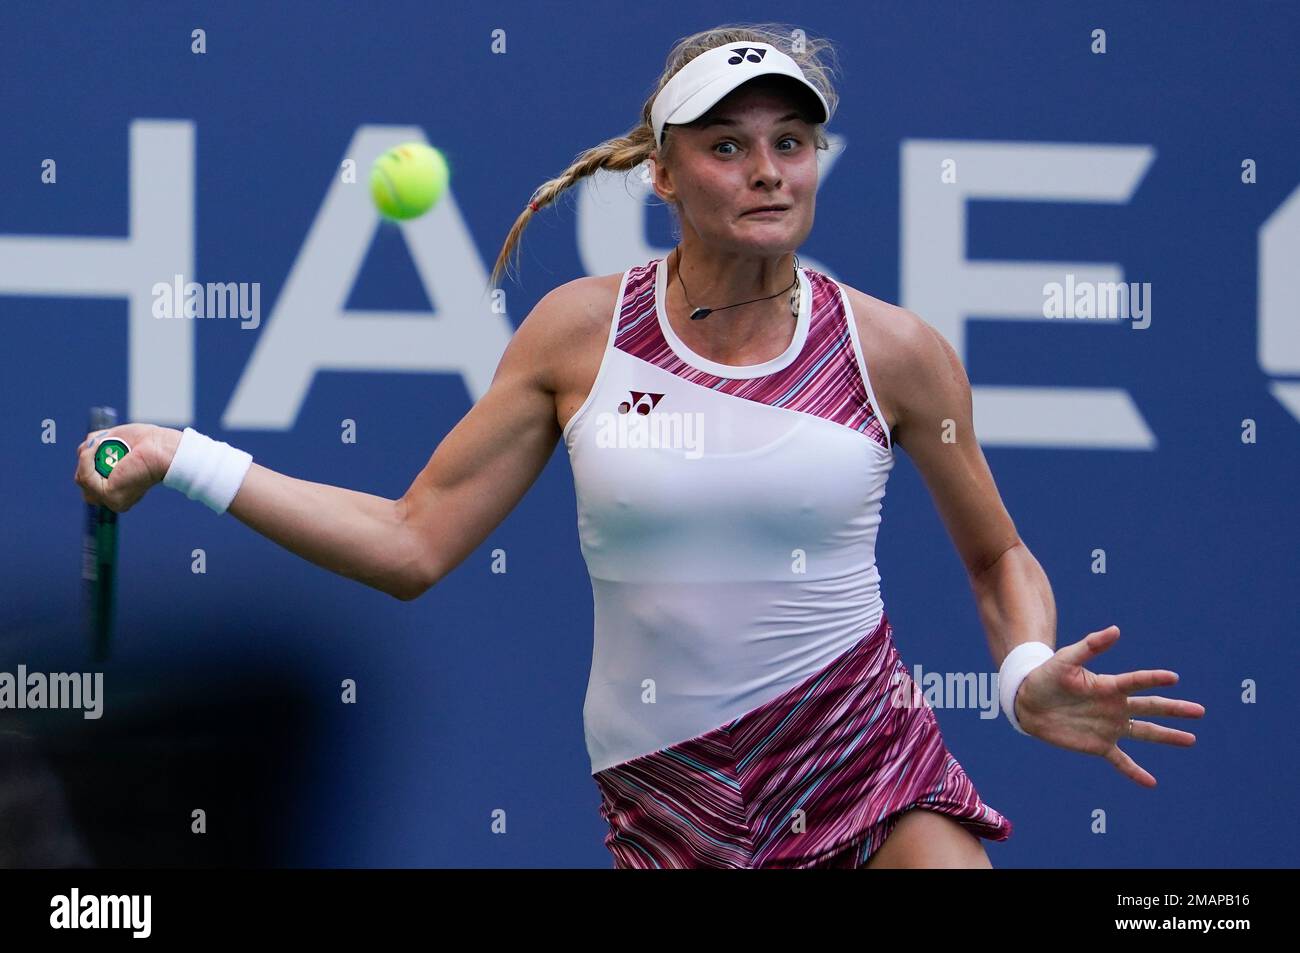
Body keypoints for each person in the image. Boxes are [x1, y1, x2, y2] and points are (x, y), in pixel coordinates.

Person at [74, 23, 1205, 869]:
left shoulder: (895, 352)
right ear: (661, 173)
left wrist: (1020, 673)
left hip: (868, 758)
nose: (767, 168)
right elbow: (411, 544)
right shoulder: (577, 331)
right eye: (727, 145)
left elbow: (996, 555)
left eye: (791, 140)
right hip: (671, 796)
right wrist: (184, 455)